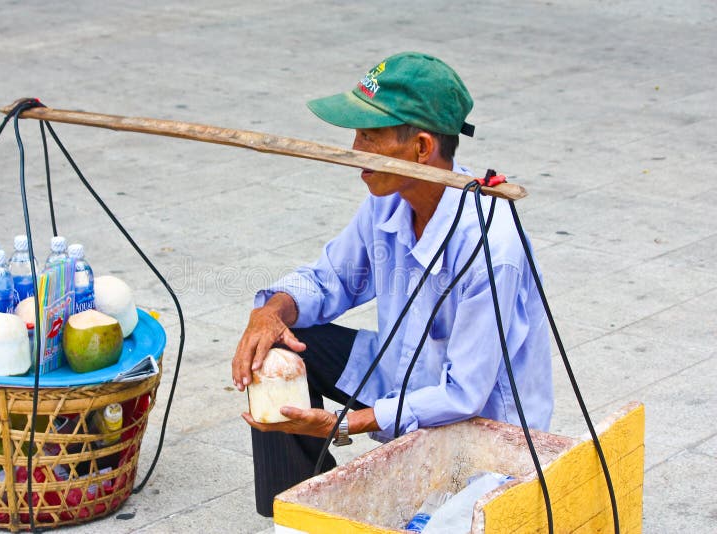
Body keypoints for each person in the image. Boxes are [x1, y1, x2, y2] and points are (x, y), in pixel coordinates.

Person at [231, 51, 553, 517]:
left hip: (477, 423)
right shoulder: (388, 201)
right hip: (402, 374)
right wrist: (271, 312)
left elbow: (464, 393)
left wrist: (350, 423)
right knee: (278, 351)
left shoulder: (491, 247)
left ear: (422, 148)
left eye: (369, 136)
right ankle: (298, 515)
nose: (354, 149)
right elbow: (331, 279)